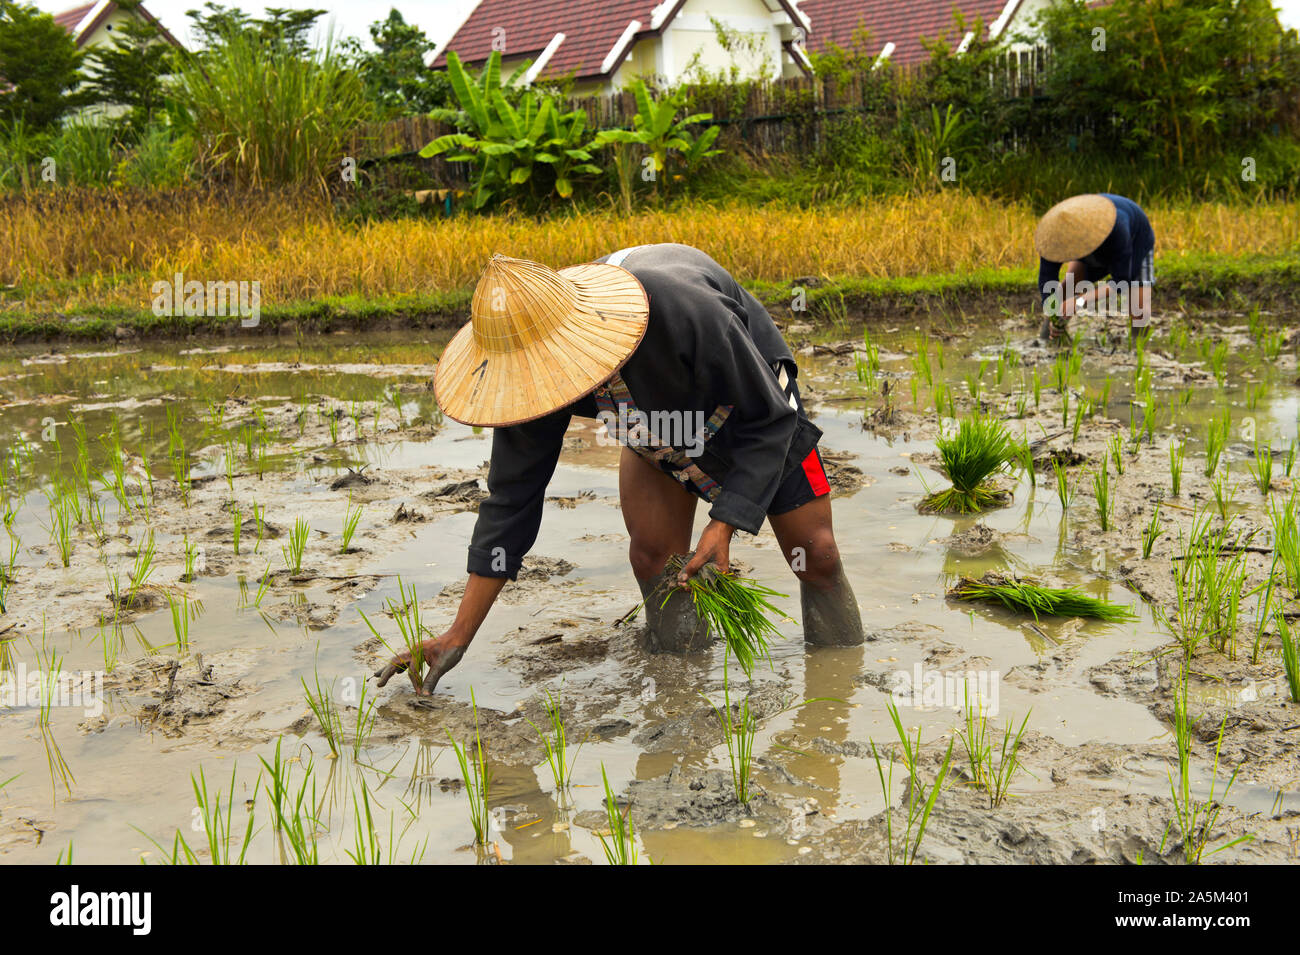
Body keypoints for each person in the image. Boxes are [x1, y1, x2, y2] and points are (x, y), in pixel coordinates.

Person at [376, 243, 865, 695]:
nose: (541, 381)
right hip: (643, 410)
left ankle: (841, 680)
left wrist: (725, 524)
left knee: (814, 555)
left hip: (748, 405)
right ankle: (682, 685)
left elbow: (770, 418)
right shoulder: (531, 382)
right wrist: (457, 635)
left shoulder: (688, 311)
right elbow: (511, 503)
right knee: (657, 560)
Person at [1035, 193, 1154, 343]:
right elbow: (1047, 279)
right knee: (1067, 289)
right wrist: (1053, 311)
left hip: (1135, 240)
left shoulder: (1118, 229)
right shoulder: (1052, 238)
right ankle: (1047, 339)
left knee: (1139, 309)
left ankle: (1140, 351)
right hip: (1094, 247)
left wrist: (1079, 301)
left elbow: (1121, 282)